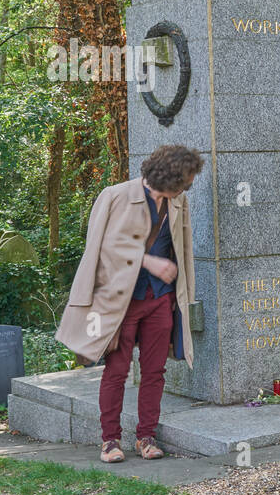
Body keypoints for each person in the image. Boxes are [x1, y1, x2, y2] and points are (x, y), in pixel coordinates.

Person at [56, 145, 205, 463]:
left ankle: (145, 437)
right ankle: (109, 441)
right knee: (117, 370)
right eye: (184, 181)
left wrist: (179, 292)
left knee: (155, 371)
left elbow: (182, 247)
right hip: (120, 303)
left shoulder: (178, 200)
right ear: (168, 175)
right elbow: (106, 250)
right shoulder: (115, 195)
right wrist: (149, 263)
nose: (186, 187)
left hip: (160, 299)